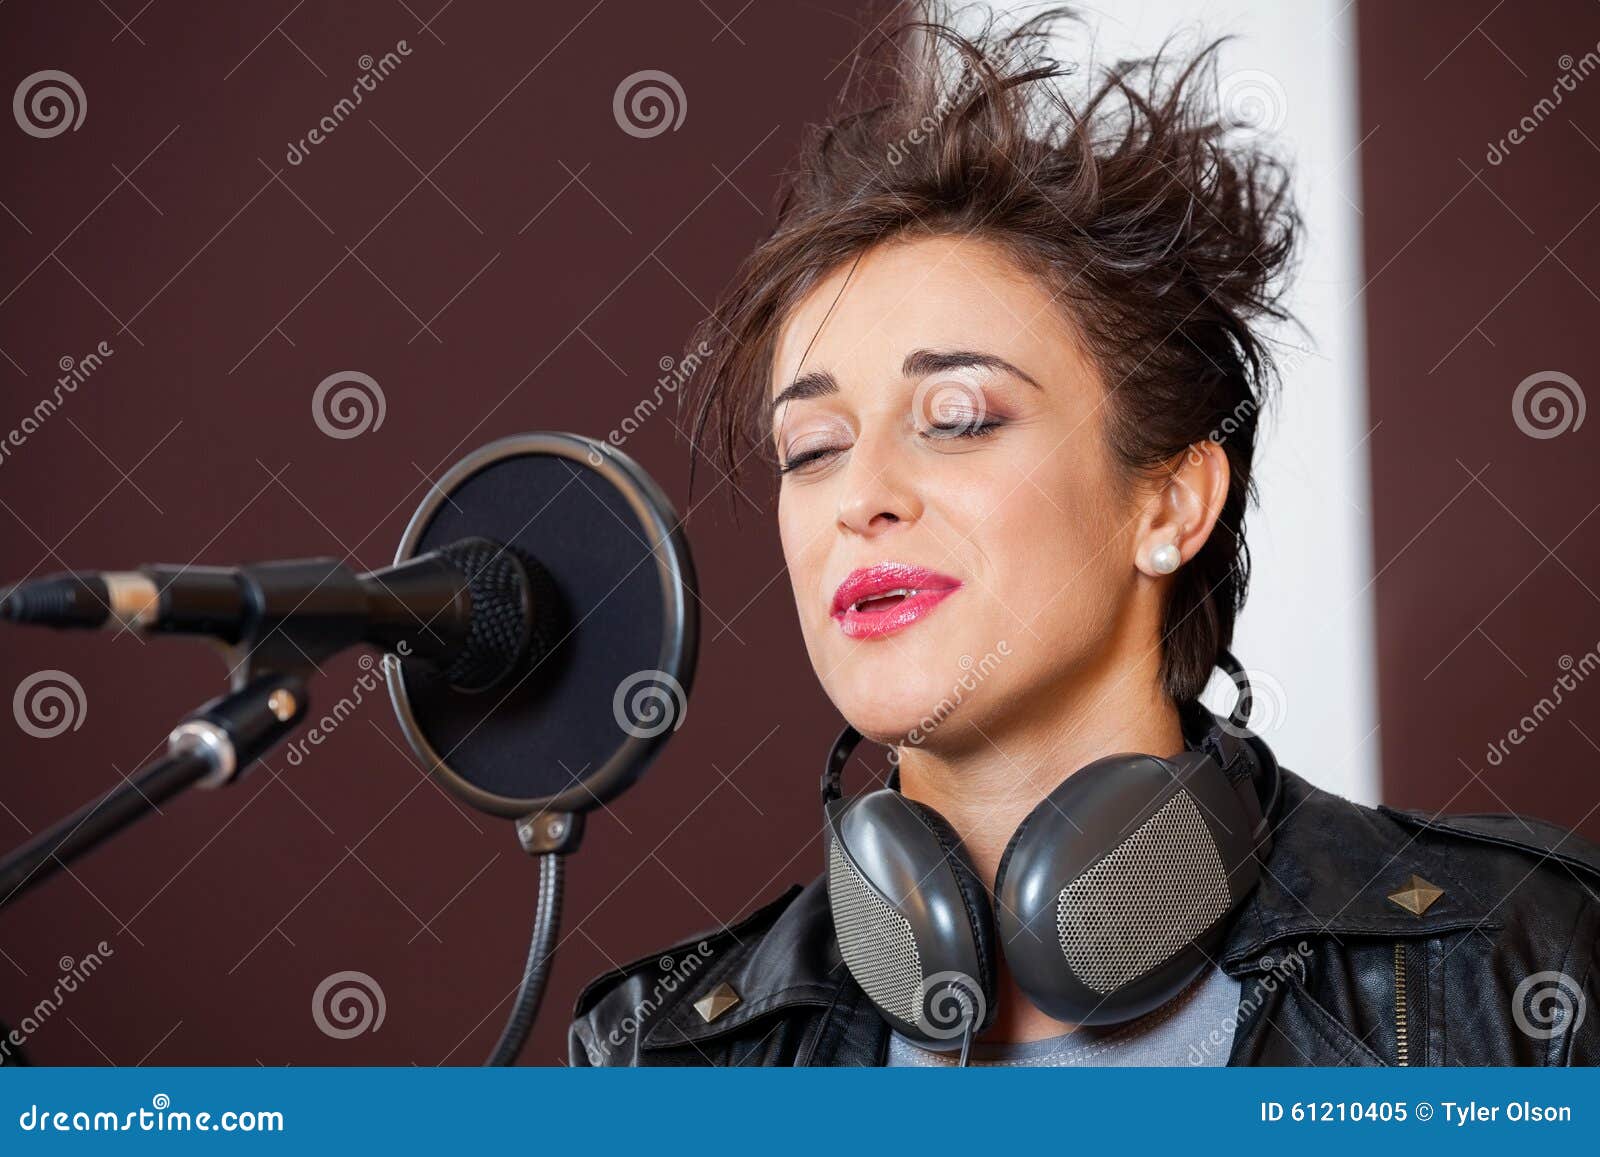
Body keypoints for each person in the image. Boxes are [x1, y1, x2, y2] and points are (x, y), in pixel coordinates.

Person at [569, 5, 1599, 1066]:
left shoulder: (1508, 963)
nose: (859, 495)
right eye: (813, 446)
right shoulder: (660, 1057)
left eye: (959, 419)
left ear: (1168, 502)